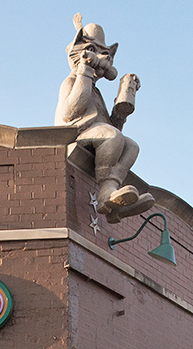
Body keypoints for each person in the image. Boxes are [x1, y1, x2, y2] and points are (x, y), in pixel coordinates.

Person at [54, 14, 154, 223]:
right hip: (76, 133)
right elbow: (71, 112)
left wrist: (120, 113)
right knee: (112, 136)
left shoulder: (95, 90)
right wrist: (84, 73)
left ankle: (111, 198)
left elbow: (109, 127)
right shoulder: (72, 81)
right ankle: (105, 197)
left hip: (96, 134)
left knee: (131, 146)